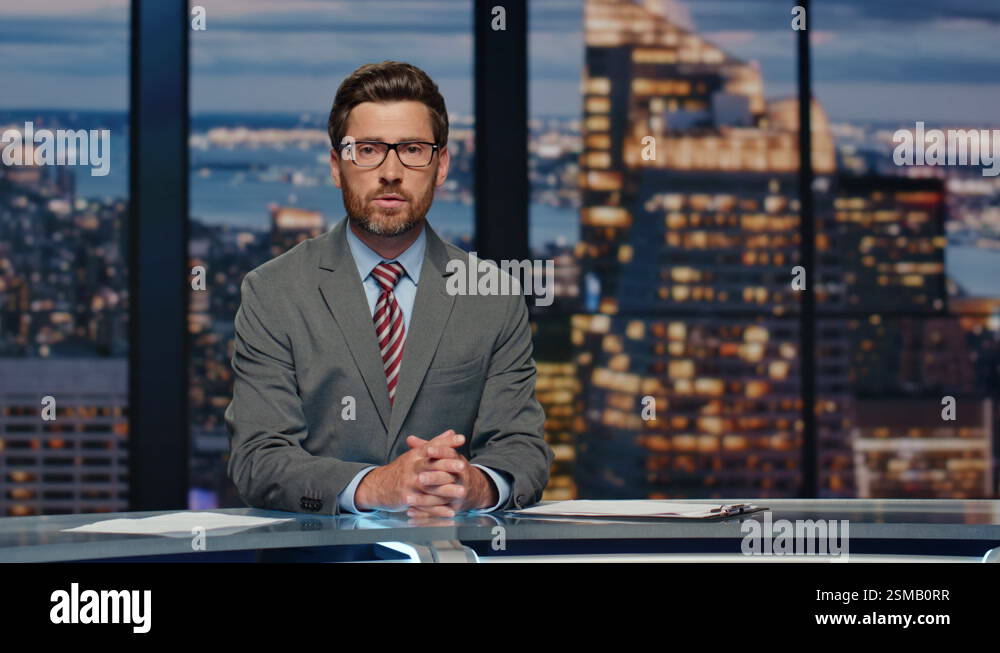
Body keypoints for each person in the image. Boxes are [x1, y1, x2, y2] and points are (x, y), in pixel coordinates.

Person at [225, 61, 553, 519]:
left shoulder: (493, 295)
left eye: (413, 149)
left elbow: (522, 450)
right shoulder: (273, 292)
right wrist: (374, 487)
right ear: (337, 166)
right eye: (369, 150)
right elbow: (258, 460)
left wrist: (475, 486)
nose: (391, 171)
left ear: (441, 167)